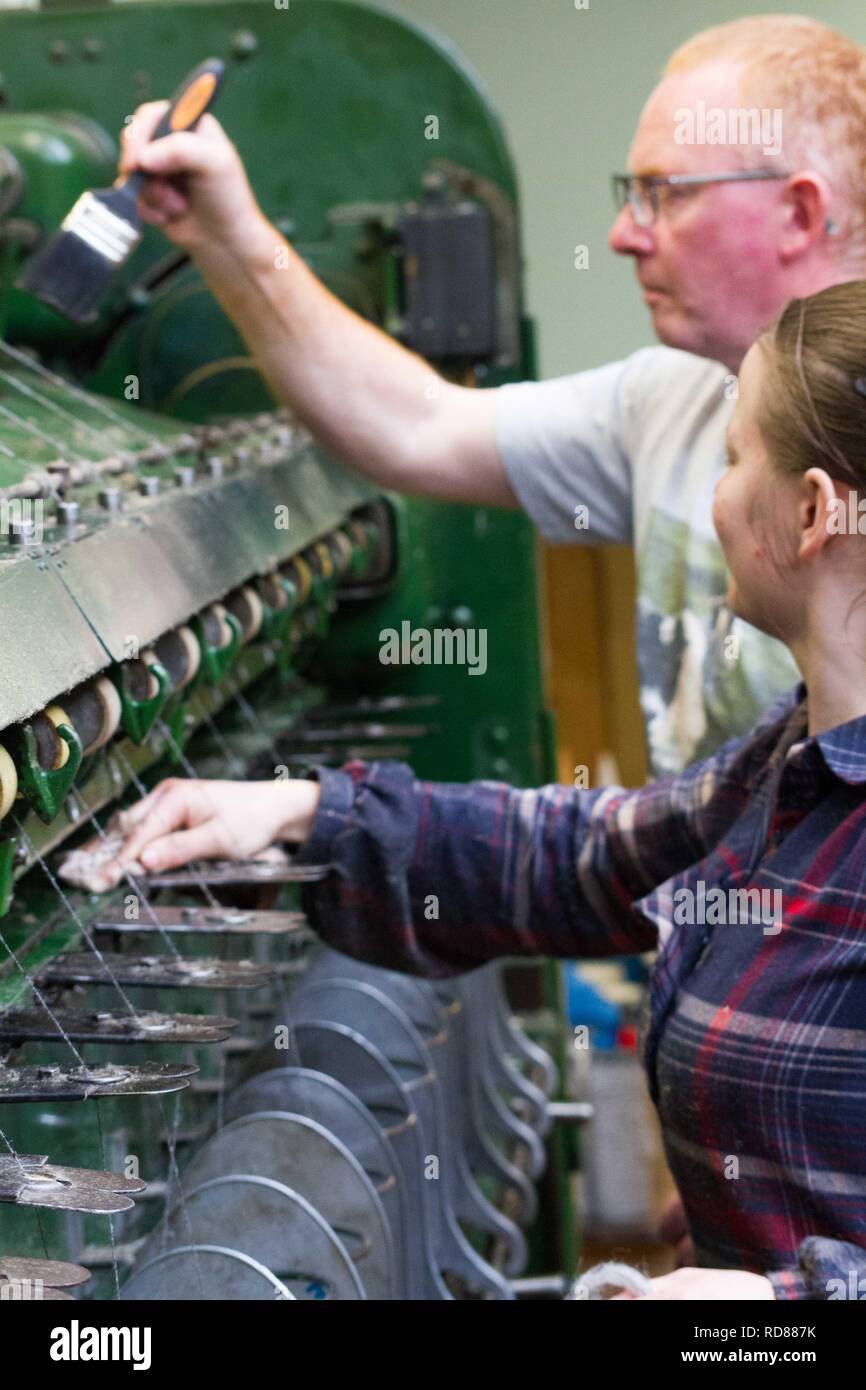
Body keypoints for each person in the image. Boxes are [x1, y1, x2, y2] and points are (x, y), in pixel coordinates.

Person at [87, 279, 866, 1301]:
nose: (712, 496)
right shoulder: (795, 763)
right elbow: (588, 857)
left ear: (808, 512)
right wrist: (307, 813)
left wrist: (779, 1304)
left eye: (729, 458)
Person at [117, 13, 866, 777]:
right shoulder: (671, 399)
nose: (623, 234)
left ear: (799, 214)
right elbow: (416, 425)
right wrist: (229, 233)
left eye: (663, 194)